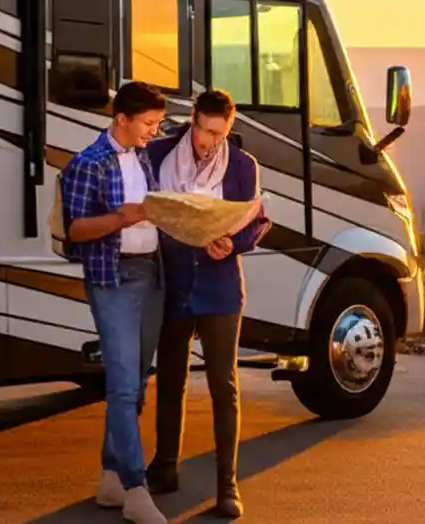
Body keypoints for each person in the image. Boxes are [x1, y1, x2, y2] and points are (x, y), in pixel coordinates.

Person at [143, 89, 271, 519]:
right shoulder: (159, 153)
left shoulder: (242, 166)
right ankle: (164, 468)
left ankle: (227, 485)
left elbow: (255, 223)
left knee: (223, 385)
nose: (210, 142)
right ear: (192, 120)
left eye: (220, 134)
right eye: (204, 131)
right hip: (175, 281)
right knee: (172, 379)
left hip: (219, 287)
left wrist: (231, 242)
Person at [60, 80, 169, 524]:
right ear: (120, 119)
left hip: (152, 274)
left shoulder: (143, 154)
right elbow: (75, 231)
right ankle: (135, 487)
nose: (152, 132)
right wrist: (120, 218)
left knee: (137, 383)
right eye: (147, 124)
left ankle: (110, 475)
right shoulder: (87, 163)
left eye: (157, 124)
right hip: (114, 279)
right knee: (124, 386)